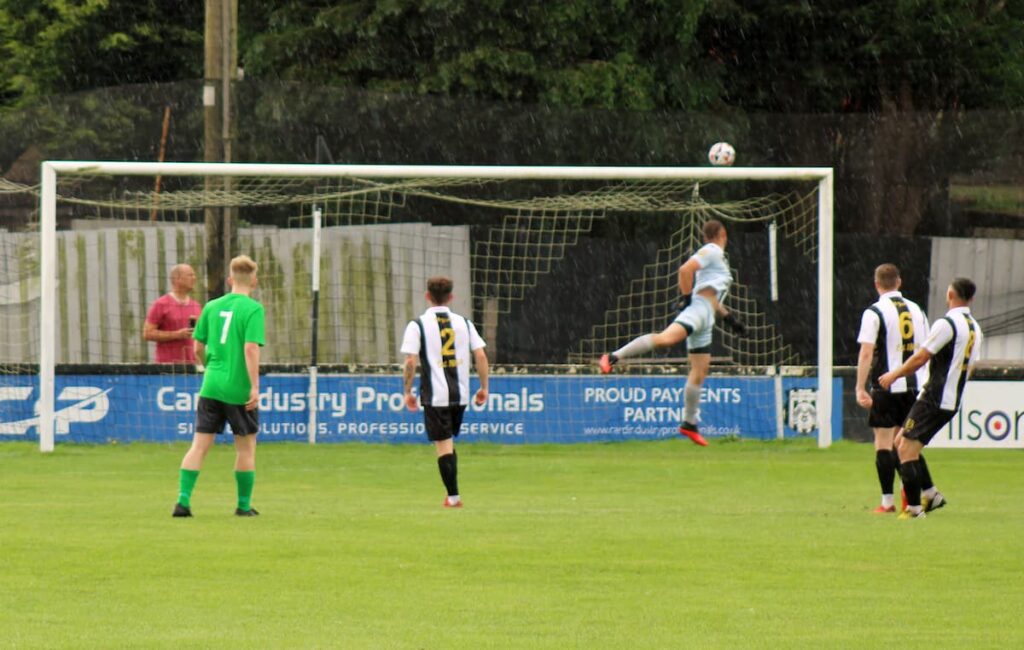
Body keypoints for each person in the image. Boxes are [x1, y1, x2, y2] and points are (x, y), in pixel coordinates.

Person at [598, 219, 744, 446]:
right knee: (666, 339)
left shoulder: (718, 260)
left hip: (707, 317)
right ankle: (613, 356)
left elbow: (711, 295)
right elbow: (685, 269)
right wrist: (686, 300)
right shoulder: (712, 250)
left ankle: (689, 423)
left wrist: (729, 319)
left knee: (700, 369)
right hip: (698, 310)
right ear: (722, 234)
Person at [879, 277, 983, 520]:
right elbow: (973, 366)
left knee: (904, 447)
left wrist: (894, 374)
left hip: (934, 398)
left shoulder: (947, 323)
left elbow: (920, 358)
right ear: (971, 298)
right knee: (904, 443)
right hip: (950, 399)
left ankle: (915, 510)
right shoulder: (975, 328)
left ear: (950, 294)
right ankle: (931, 494)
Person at [173, 255, 265, 518]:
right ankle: (244, 506)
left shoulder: (211, 307)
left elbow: (198, 348)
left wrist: (208, 365)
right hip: (238, 389)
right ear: (254, 282)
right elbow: (250, 348)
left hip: (211, 385)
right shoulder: (253, 309)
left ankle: (182, 502)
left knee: (199, 445)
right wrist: (254, 387)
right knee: (246, 448)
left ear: (229, 280)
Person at [401, 276, 489, 508]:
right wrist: (484, 387)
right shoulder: (465, 323)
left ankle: (453, 498)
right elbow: (480, 355)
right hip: (460, 395)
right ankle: (452, 496)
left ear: (427, 296)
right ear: (451, 297)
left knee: (443, 445)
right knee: (448, 442)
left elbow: (411, 361)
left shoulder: (417, 325)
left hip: (436, 395)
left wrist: (407, 391)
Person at [855, 263, 930, 514]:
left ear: (877, 284)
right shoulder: (918, 310)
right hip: (915, 386)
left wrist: (860, 388)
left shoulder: (874, 312)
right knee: (907, 444)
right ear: (899, 282)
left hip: (887, 385)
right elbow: (926, 350)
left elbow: (866, 353)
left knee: (884, 442)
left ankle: (887, 502)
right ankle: (913, 497)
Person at [144, 264, 202, 363]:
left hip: (192, 367)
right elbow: (147, 333)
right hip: (168, 367)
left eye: (194, 275)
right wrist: (177, 335)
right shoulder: (161, 304)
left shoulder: (196, 306)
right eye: (190, 275)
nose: (194, 278)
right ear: (177, 279)